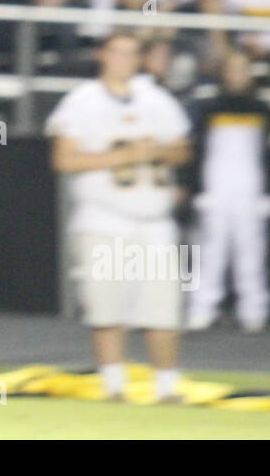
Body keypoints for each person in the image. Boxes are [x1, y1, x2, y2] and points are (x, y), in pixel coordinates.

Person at [46, 30, 193, 403]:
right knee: (108, 306)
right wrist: (125, 157)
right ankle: (113, 387)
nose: (125, 60)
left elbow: (183, 150)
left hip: (155, 218)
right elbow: (64, 159)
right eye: (118, 52)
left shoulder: (156, 99)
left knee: (163, 309)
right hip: (104, 216)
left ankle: (167, 389)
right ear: (102, 55)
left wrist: (156, 151)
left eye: (132, 54)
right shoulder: (82, 101)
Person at [185, 50, 270, 332]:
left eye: (243, 69)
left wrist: (268, 193)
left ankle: (254, 311)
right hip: (217, 187)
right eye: (233, 69)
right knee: (211, 251)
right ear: (224, 73)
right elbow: (196, 151)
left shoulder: (263, 109)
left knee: (252, 251)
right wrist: (198, 189)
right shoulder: (209, 107)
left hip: (250, 188)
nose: (238, 75)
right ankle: (201, 309)